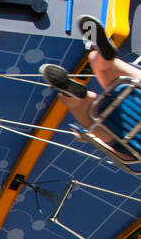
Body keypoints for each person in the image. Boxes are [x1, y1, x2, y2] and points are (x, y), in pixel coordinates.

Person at [40, 14, 141, 166]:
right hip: (124, 135)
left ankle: (103, 56)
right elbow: (126, 159)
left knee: (104, 65)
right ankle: (74, 94)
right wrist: (91, 138)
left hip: (136, 94)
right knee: (79, 106)